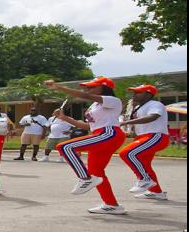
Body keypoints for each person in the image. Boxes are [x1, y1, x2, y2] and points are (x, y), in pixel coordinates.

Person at [42, 77, 129, 217]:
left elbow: (85, 96)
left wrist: (58, 87)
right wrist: (64, 118)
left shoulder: (112, 100)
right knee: (97, 173)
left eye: (93, 86)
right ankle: (112, 205)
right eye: (88, 87)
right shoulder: (94, 106)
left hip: (109, 133)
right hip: (101, 134)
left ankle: (85, 179)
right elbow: (88, 126)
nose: (89, 89)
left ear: (104, 87)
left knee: (65, 147)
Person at [114, 83, 171, 200]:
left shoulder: (155, 104)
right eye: (134, 92)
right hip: (144, 137)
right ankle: (157, 192)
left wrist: (126, 123)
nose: (134, 94)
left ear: (148, 94)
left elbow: (153, 117)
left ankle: (145, 179)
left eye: (138, 92)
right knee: (144, 165)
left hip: (155, 136)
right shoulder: (139, 107)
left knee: (126, 153)